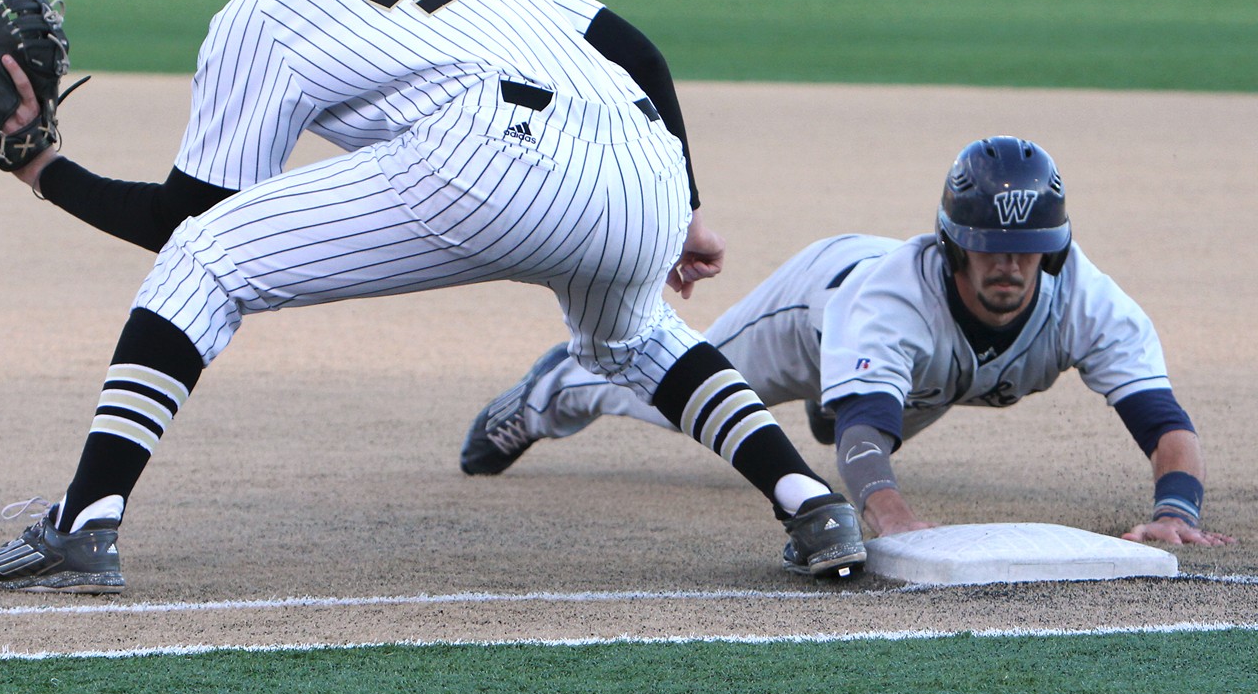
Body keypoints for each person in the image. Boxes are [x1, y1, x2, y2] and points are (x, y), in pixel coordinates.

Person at [0, 0, 867, 593]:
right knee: (634, 339)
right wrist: (688, 205)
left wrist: (42, 168)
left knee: (205, 256)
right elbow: (640, 51)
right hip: (644, 165)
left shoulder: (265, 3)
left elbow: (186, 217)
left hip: (492, 155)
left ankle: (86, 518)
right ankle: (813, 504)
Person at [461, 136, 1235, 549]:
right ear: (954, 243)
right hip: (820, 303)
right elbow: (866, 439)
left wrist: (1176, 507)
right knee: (684, 399)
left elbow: (1164, 422)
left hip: (914, 368)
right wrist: (888, 513)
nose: (1009, 262)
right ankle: (558, 386)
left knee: (850, 417)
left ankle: (832, 403)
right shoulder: (892, 301)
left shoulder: (1090, 303)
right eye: (990, 244)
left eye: (1028, 246)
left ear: (1054, 249)